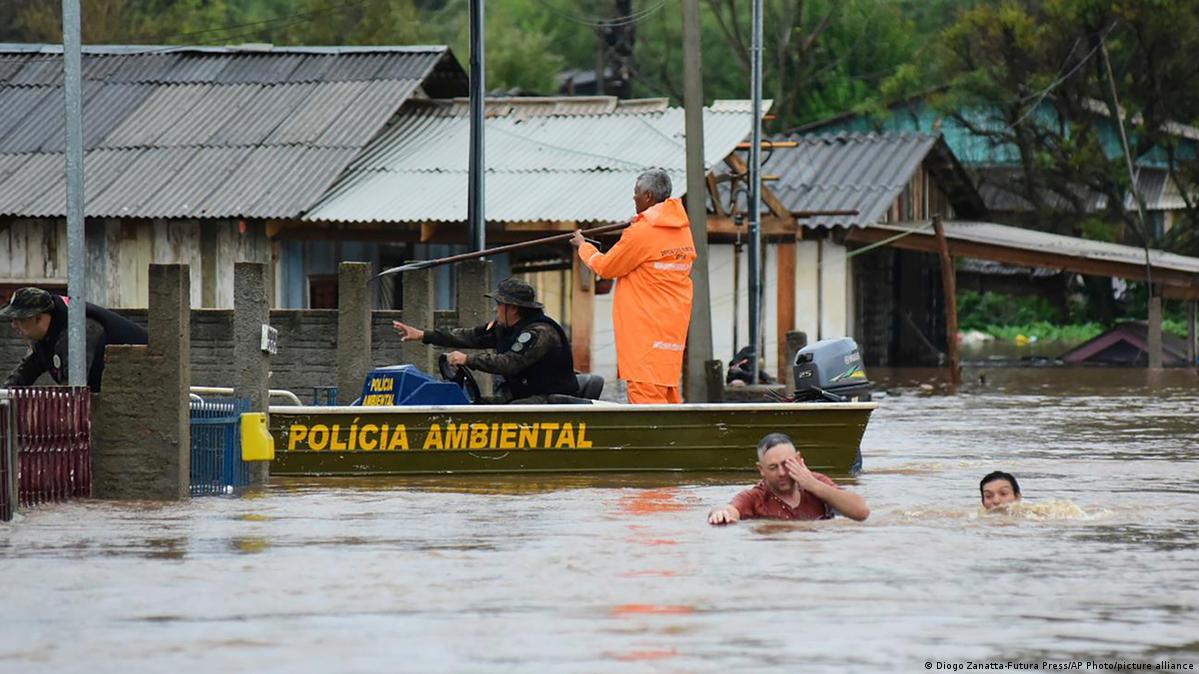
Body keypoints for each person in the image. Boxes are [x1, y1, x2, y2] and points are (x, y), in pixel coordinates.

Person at [570, 168, 696, 405]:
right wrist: (638, 223)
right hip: (671, 330)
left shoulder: (642, 232)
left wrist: (583, 246)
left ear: (648, 196)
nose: (633, 197)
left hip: (645, 330)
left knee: (645, 400)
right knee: (667, 393)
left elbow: (606, 267)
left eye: (636, 192)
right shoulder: (682, 230)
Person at [391, 277, 578, 403]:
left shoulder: (540, 333)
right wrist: (424, 335)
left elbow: (510, 363)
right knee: (478, 405)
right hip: (522, 395)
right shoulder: (505, 328)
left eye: (499, 304)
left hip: (550, 400)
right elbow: (471, 336)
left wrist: (468, 359)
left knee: (505, 415)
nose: (496, 309)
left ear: (513, 308)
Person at [2, 287, 149, 393]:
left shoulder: (76, 332)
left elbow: (73, 393)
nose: (14, 325)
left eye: (19, 319)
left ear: (39, 317)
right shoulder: (46, 335)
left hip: (142, 386)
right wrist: (4, 395)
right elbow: (25, 372)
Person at [708, 432, 870, 524]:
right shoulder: (756, 497)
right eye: (773, 467)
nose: (781, 473)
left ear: (798, 459)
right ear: (761, 470)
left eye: (786, 464)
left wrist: (814, 485)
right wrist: (720, 513)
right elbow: (730, 509)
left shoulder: (816, 483)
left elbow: (862, 512)